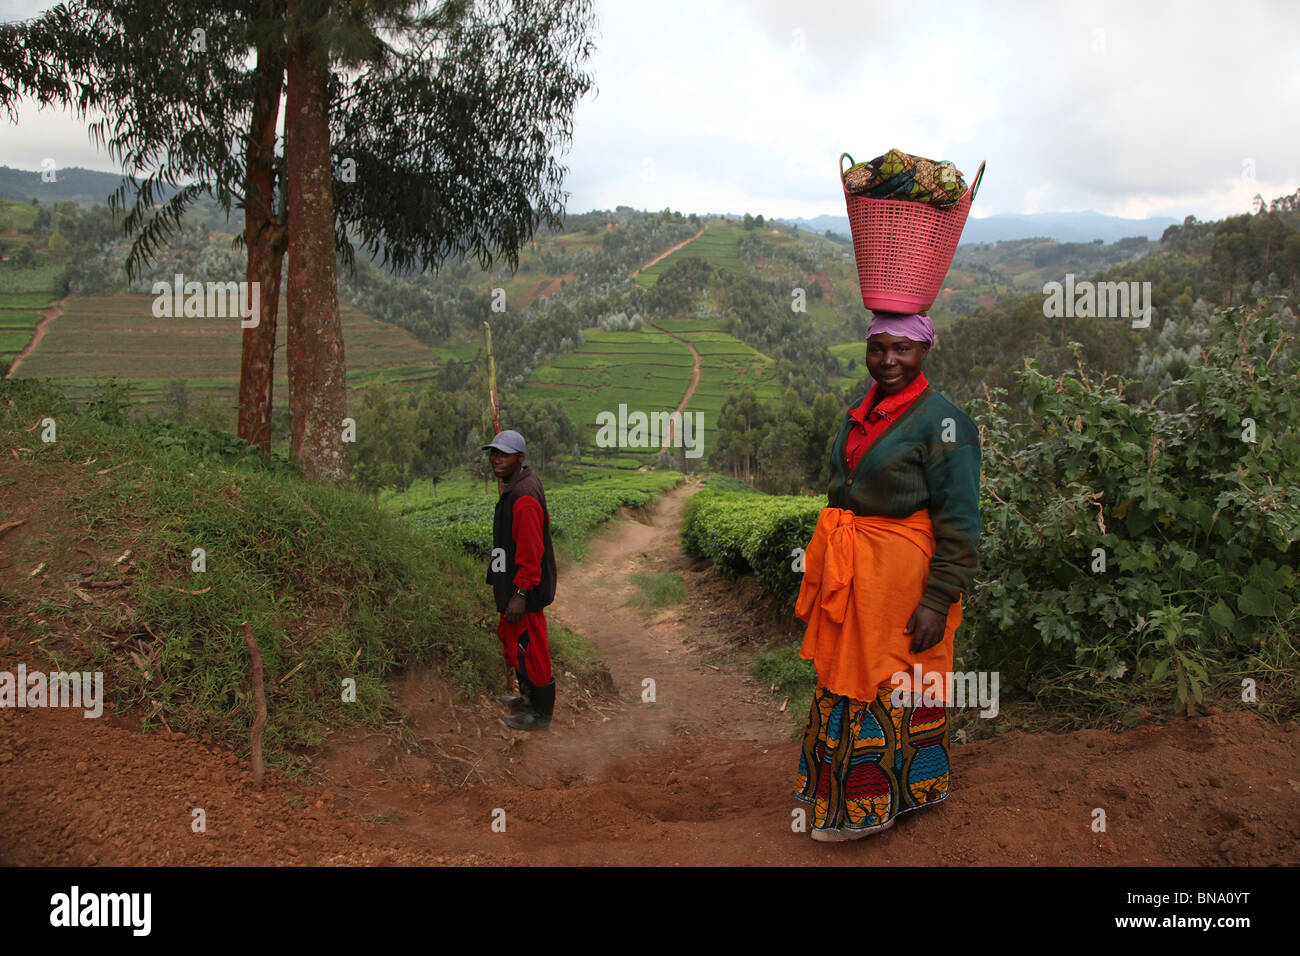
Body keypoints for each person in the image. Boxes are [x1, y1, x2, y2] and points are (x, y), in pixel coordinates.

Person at [793, 311, 980, 841]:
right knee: (846, 676)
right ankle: (853, 793)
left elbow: (961, 520)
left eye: (902, 348)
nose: (888, 360)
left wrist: (938, 599)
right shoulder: (865, 410)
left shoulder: (945, 422)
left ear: (925, 351)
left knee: (888, 678)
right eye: (878, 348)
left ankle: (871, 809)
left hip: (901, 580)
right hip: (858, 572)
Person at [483, 429, 558, 731]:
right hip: (514, 586)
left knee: (532, 647)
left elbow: (530, 552)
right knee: (515, 641)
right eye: (494, 453)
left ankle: (540, 715)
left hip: (524, 591)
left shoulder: (523, 498)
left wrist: (520, 593)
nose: (496, 460)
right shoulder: (515, 486)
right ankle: (526, 699)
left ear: (521, 458)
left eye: (504, 454)